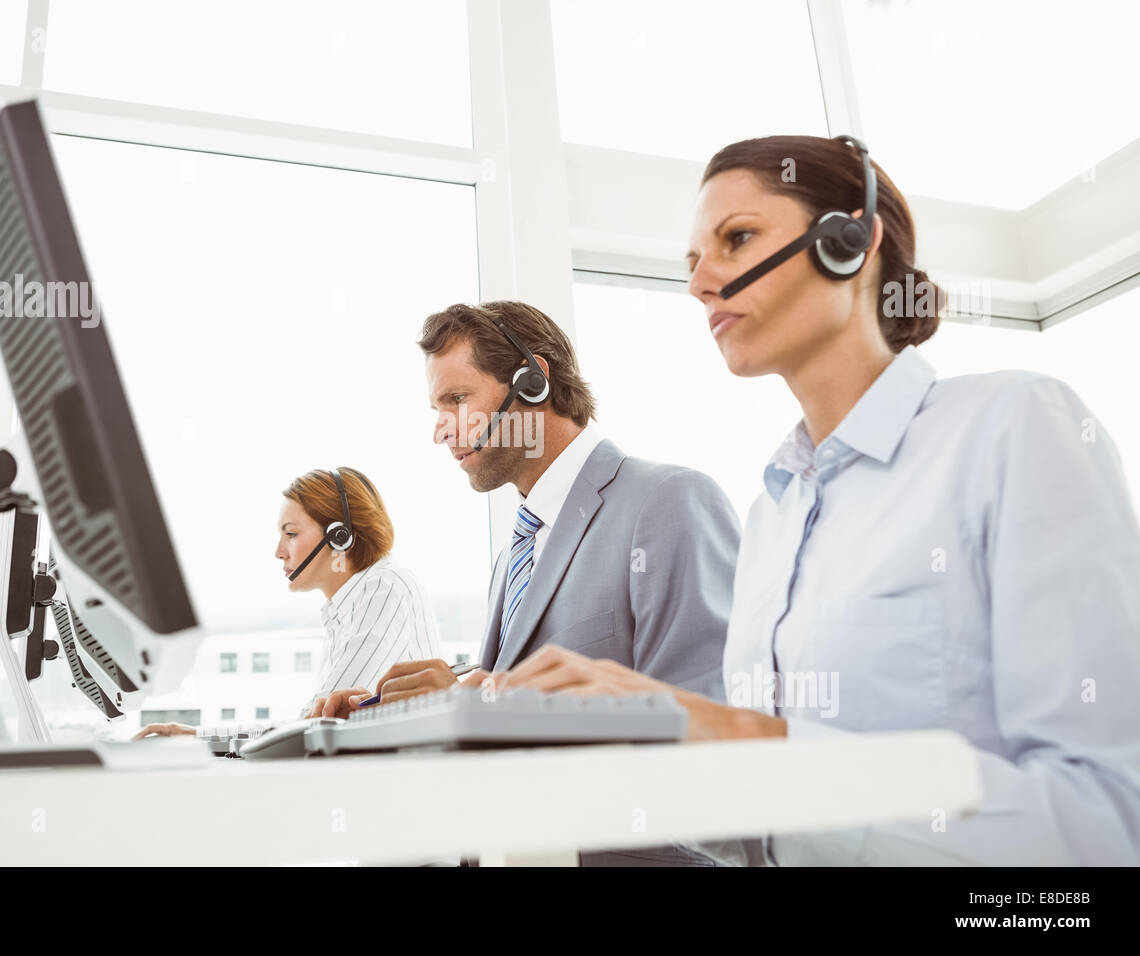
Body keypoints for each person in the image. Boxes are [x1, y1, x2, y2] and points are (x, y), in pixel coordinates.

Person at [490, 134, 1140, 865]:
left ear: (850, 244)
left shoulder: (1014, 429)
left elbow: (1106, 827)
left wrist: (734, 736)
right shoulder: (774, 512)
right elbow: (760, 830)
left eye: (736, 239)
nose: (702, 283)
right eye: (694, 262)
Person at [320, 300, 742, 867]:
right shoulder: (517, 550)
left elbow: (704, 738)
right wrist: (413, 723)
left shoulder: (667, 502)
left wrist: (483, 708)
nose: (442, 430)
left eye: (457, 399)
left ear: (533, 381)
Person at [134, 466, 440, 738]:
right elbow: (307, 724)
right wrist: (199, 736)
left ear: (340, 537)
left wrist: (201, 737)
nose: (279, 552)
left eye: (291, 534)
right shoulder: (346, 610)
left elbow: (317, 724)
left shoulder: (386, 588)